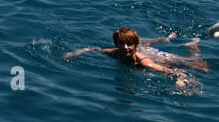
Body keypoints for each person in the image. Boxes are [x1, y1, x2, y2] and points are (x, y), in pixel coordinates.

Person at [64, 27, 209, 88]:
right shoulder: (115, 52)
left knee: (201, 67)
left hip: (164, 58)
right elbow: (95, 48)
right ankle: (167, 38)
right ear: (116, 44)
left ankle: (192, 45)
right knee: (148, 43)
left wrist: (181, 80)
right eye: (121, 44)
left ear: (134, 45)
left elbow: (176, 71)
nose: (125, 47)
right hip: (144, 49)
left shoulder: (145, 63)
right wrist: (76, 52)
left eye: (129, 44)